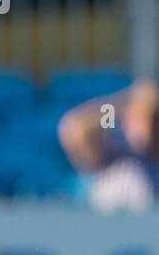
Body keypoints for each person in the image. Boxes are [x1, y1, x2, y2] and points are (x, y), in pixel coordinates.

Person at [59, 78, 159, 212]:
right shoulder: (112, 151)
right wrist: (126, 105)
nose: (153, 127)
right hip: (109, 229)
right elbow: (76, 129)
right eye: (150, 120)